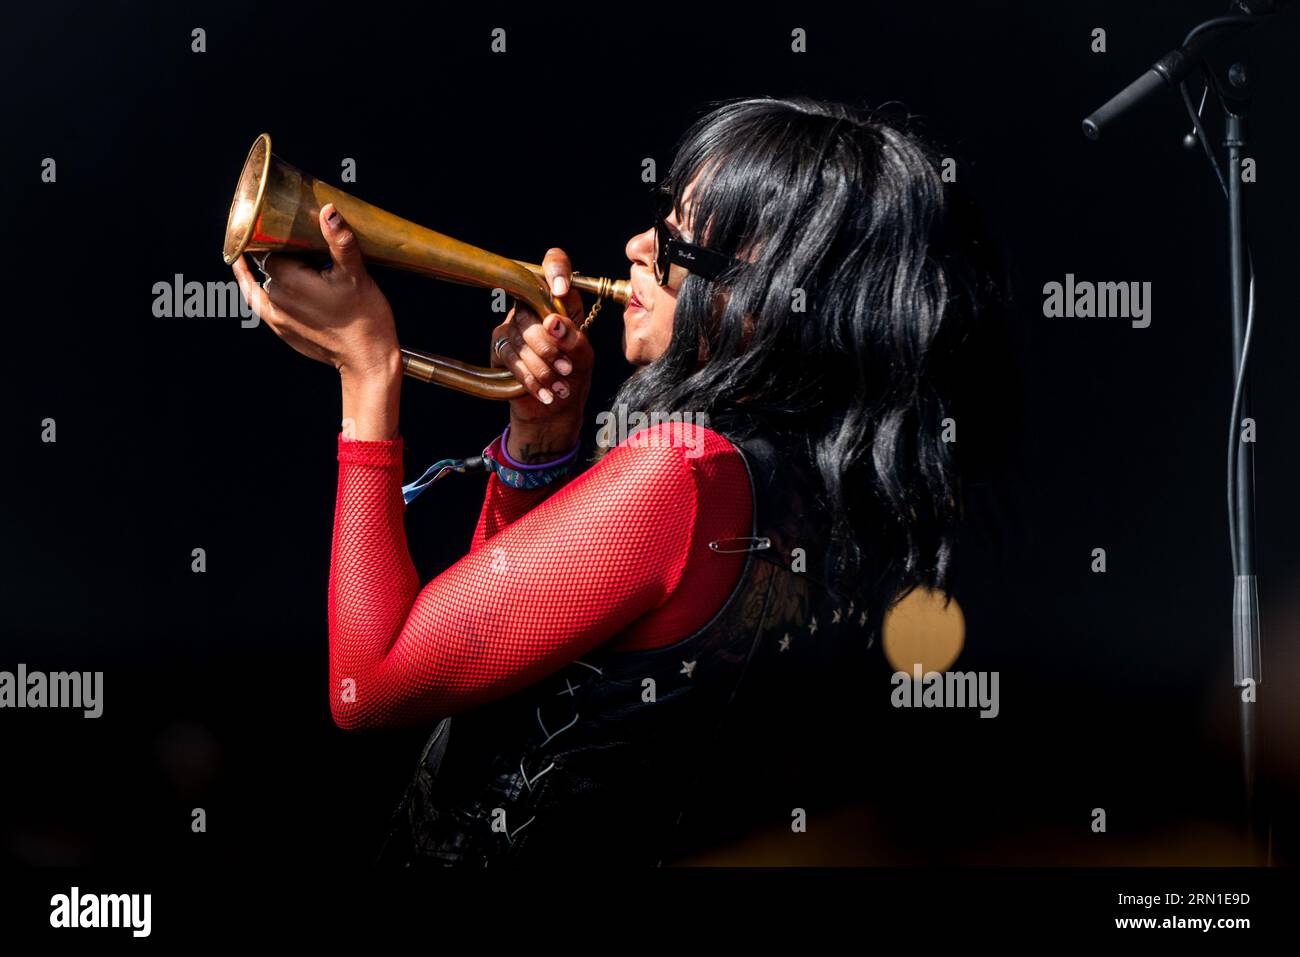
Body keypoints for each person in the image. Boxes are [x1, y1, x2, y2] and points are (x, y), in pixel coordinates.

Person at [230, 95, 1010, 865]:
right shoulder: (808, 489)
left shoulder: (685, 470)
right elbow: (498, 666)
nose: (639, 244)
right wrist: (539, 440)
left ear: (773, 296)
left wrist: (367, 374)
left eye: (678, 243)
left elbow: (367, 687)